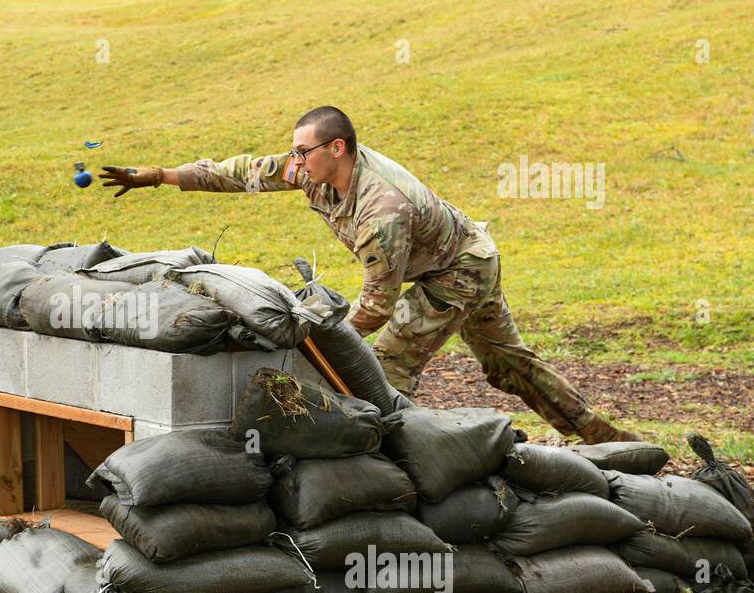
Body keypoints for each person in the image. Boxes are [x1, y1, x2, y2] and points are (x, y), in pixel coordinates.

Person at [99, 105, 638, 444]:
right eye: (294, 151)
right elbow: (242, 173)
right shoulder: (311, 169)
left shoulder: (383, 211)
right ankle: (600, 434)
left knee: (385, 365)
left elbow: (376, 309)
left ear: (337, 149)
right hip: (461, 252)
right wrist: (161, 177)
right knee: (506, 365)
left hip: (459, 271)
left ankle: (399, 464)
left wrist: (316, 348)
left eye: (303, 151)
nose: (294, 161)